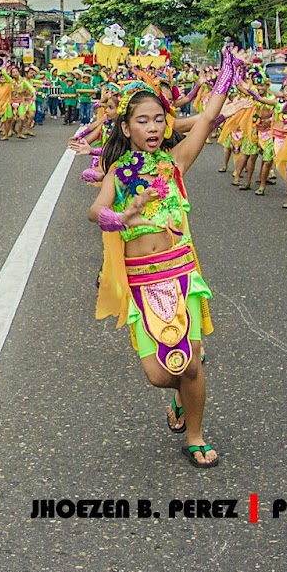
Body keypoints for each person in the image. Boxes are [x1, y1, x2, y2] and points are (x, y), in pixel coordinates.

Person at [86, 50, 240, 469]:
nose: (152, 127)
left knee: (188, 367)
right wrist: (123, 215)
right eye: (142, 120)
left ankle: (195, 434)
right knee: (160, 374)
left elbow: (206, 120)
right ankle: (179, 395)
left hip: (179, 274)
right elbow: (95, 211)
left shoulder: (175, 163)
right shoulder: (118, 172)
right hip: (139, 281)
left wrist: (225, 80)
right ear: (126, 127)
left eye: (158, 119)